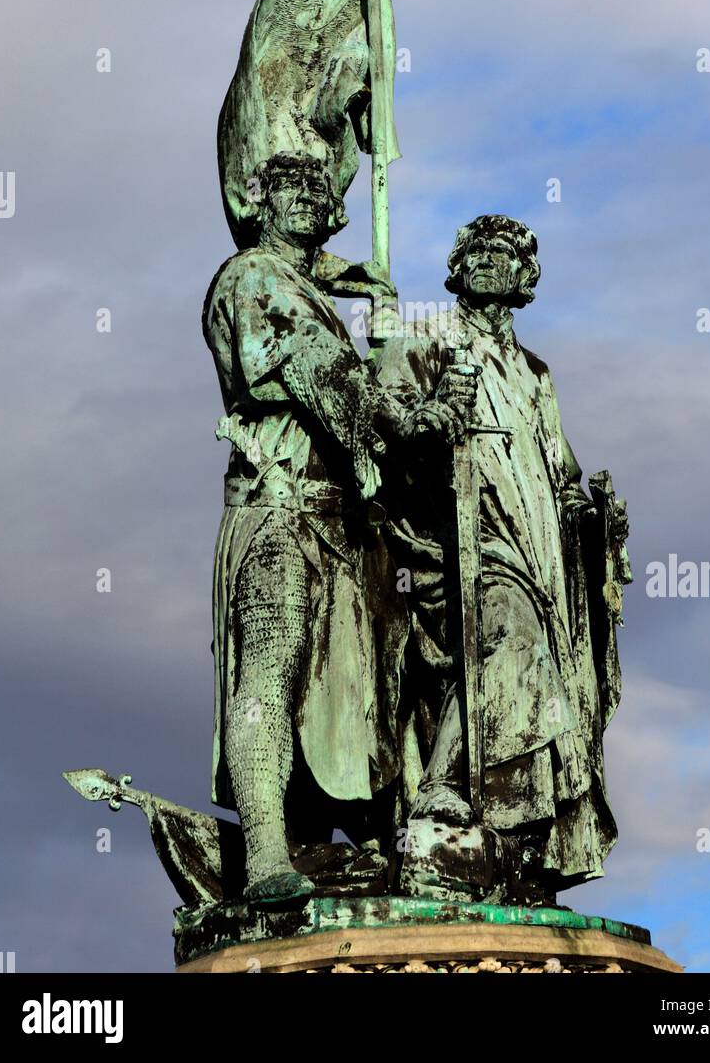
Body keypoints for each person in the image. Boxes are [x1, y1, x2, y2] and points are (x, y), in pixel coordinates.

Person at [203, 151, 434, 902]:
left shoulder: (309, 286)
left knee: (360, 694)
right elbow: (308, 368)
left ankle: (351, 843)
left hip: (341, 524)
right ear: (258, 200)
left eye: (319, 188)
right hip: (278, 506)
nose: (308, 198)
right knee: (271, 668)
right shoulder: (248, 278)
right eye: (289, 187)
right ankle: (268, 853)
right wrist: (390, 409)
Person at [375, 214, 628, 891]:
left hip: (536, 543)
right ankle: (440, 795)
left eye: (505, 254)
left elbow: (560, 469)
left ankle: (515, 836)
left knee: (536, 663)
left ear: (524, 278)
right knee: (508, 637)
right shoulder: (426, 340)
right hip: (455, 535)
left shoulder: (535, 372)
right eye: (477, 251)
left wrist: (587, 513)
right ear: (459, 269)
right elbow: (384, 419)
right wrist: (429, 417)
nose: (489, 261)